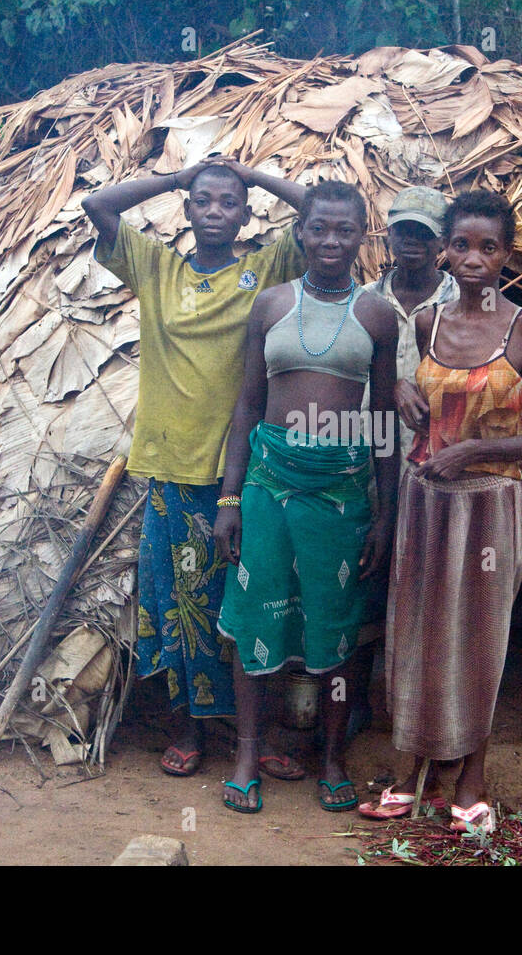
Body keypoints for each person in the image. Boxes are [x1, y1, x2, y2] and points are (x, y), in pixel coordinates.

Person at [83, 157, 310, 781]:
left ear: (245, 214)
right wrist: (176, 177)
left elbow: (321, 212)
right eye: (203, 201)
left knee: (254, 603)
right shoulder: (156, 268)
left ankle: (252, 735)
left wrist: (255, 175)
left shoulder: (264, 271)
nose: (215, 212)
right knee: (184, 606)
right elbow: (97, 206)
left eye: (228, 203)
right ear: (187, 209)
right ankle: (186, 728)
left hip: (248, 470)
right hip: (175, 469)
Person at [362, 190, 522, 833]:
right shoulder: (425, 326)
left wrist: (478, 450)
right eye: (461, 245)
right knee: (416, 634)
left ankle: (471, 779)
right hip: (426, 502)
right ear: (445, 252)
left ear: (507, 253)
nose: (473, 257)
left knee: (480, 640)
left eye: (488, 246)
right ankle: (411, 772)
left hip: (491, 506)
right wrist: (398, 389)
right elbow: (394, 388)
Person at [213, 180, 400, 813]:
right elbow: (246, 405)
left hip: (342, 497)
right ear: (300, 232)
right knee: (254, 619)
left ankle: (332, 758)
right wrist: (230, 499)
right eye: (318, 227)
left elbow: (382, 425)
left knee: (336, 630)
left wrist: (385, 514)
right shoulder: (269, 305)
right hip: (268, 485)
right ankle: (247, 754)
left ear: (360, 237)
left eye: (344, 230)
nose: (329, 241)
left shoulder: (377, 315)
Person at [344, 186, 460, 740]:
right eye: (403, 231)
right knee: (366, 568)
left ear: (440, 242)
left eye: (424, 233)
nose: (411, 242)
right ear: (387, 235)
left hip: (436, 457)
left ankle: (418, 703)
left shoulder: (467, 299)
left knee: (425, 577)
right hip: (366, 452)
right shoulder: (364, 299)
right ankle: (357, 695)